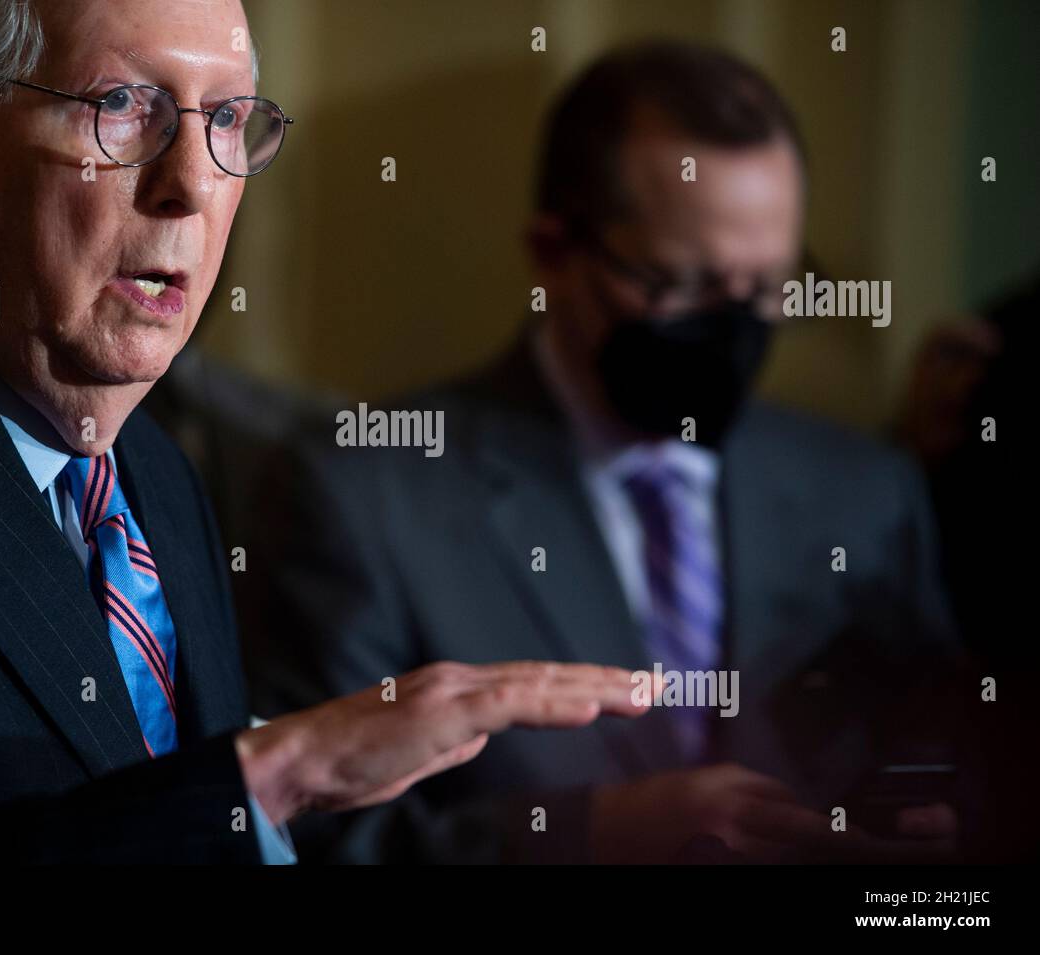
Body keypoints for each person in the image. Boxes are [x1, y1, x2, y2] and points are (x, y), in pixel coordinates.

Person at [0, 0, 652, 864]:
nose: (191, 186)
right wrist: (273, 772)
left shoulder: (157, 472)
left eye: (226, 119)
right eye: (122, 105)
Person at [242, 41, 961, 863]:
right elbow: (299, 834)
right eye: (683, 286)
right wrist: (589, 834)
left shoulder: (866, 489)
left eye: (767, 289)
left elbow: (947, 744)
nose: (735, 328)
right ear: (554, 253)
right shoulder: (364, 494)